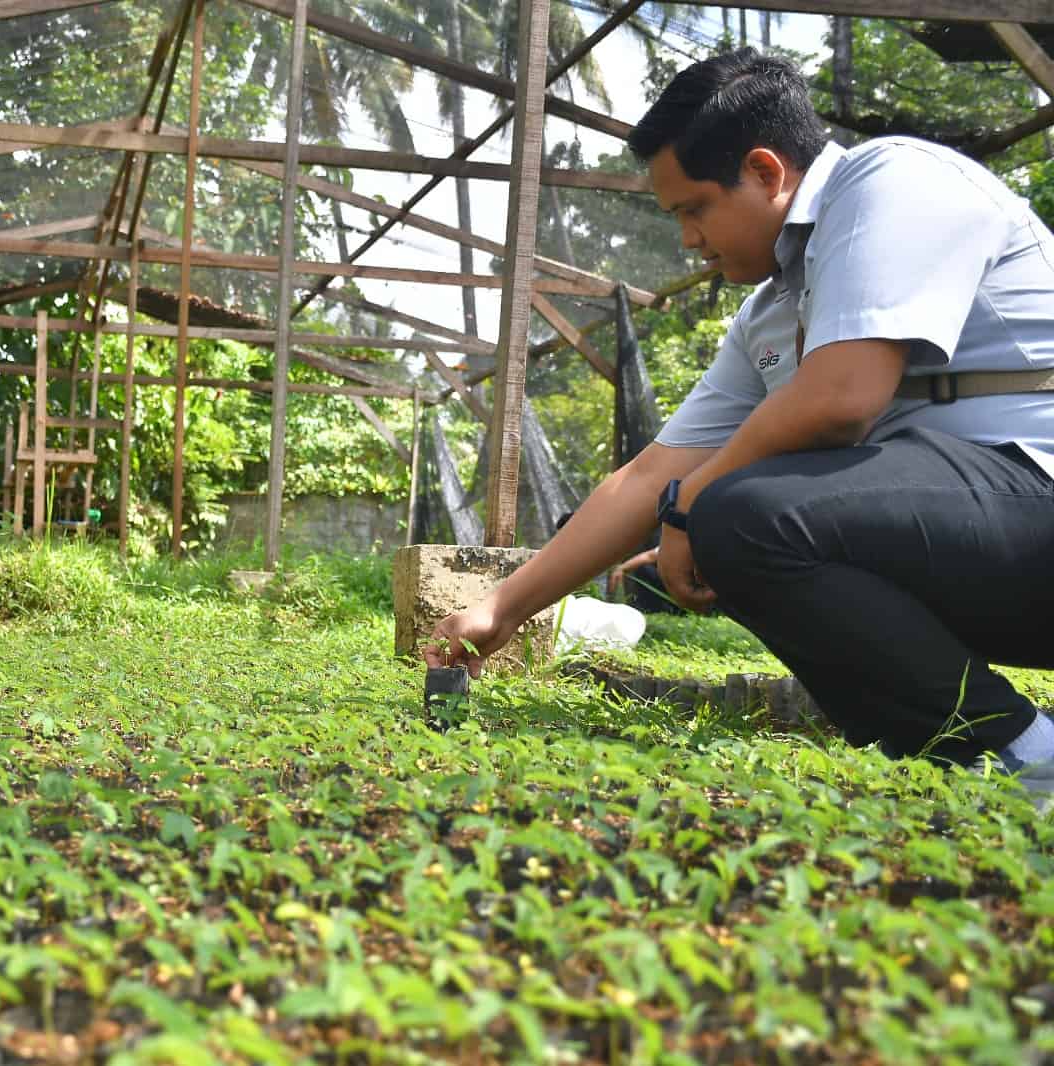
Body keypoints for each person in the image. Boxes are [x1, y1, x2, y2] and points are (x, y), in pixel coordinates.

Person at [426, 48, 1054, 796]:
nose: (688, 239)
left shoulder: (894, 180)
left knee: (739, 514)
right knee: (726, 519)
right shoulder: (773, 308)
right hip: (983, 550)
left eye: (693, 208)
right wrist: (501, 608)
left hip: (1034, 503)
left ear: (764, 172)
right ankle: (969, 760)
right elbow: (652, 473)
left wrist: (690, 508)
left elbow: (840, 398)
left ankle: (1025, 756)